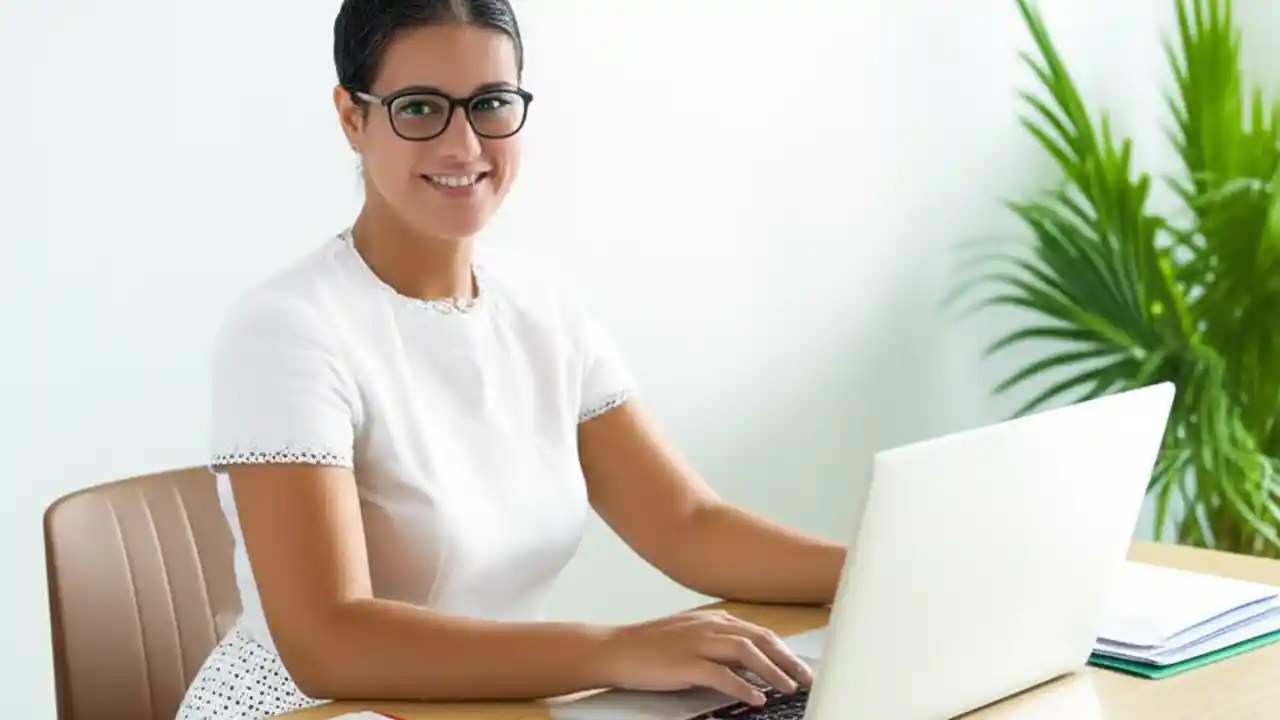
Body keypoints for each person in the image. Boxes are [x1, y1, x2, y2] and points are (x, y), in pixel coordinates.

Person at [176, 1, 847, 718]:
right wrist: (614, 649)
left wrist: (891, 571)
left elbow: (685, 524)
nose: (464, 145)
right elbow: (327, 641)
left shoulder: (540, 305)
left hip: (488, 706)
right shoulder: (288, 329)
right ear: (352, 118)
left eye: (491, 103)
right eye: (420, 108)